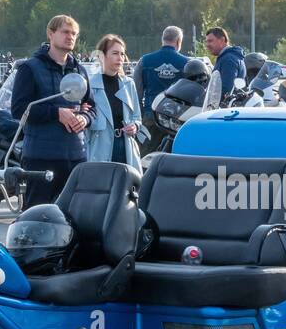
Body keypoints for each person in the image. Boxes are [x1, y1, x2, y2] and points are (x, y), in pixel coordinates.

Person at [10, 14, 96, 207]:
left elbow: (91, 107)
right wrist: (56, 113)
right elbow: (18, 110)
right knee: (37, 217)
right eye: (65, 32)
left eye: (74, 33)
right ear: (50, 33)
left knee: (75, 216)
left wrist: (84, 119)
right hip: (41, 158)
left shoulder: (80, 71)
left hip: (76, 157)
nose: (70, 37)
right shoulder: (30, 68)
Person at [86, 34, 143, 170]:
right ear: (102, 56)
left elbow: (137, 118)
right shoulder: (89, 85)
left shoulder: (129, 84)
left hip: (126, 148)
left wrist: (135, 126)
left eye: (122, 54)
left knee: (127, 189)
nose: (120, 58)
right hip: (99, 149)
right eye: (115, 53)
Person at [133, 25, 188, 151]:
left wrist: (141, 114)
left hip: (151, 115)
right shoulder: (187, 63)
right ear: (178, 41)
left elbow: (137, 92)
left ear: (162, 40)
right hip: (177, 118)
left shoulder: (144, 61)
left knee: (146, 155)